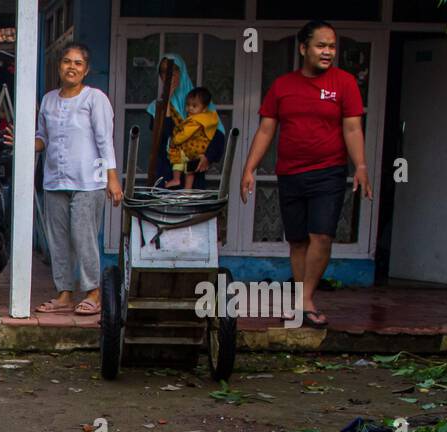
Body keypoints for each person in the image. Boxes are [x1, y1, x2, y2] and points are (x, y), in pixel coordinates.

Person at [240, 19, 372, 329]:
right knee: (298, 240)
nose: (328, 52)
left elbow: (352, 127)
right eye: (321, 46)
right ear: (303, 48)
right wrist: (249, 169)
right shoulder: (283, 86)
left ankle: (306, 299)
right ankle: (301, 301)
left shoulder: (345, 83)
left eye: (332, 47)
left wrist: (361, 167)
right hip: (290, 173)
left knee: (322, 236)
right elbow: (265, 130)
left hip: (329, 172)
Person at [9, 43, 122, 316]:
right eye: (67, 62)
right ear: (59, 66)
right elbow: (43, 139)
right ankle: (64, 294)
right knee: (57, 239)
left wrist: (113, 178)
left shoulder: (95, 98)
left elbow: (104, 140)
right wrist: (23, 142)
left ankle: (94, 293)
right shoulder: (48, 99)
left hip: (88, 181)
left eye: (78, 63)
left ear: (86, 70)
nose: (71, 67)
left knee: (83, 238)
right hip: (55, 181)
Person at [147, 54, 226, 190]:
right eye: (164, 72)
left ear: (181, 72)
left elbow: (217, 135)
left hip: (194, 171)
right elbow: (165, 135)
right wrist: (166, 101)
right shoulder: (156, 107)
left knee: (192, 209)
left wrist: (208, 157)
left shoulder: (199, 102)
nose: (168, 76)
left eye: (173, 71)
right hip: (167, 172)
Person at [165, 87, 219, 189]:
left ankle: (176, 179)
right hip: (200, 150)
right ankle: (187, 189)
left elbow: (185, 133)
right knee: (190, 168)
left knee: (177, 156)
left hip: (192, 148)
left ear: (204, 108)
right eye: (188, 105)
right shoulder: (208, 118)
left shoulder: (195, 120)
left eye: (194, 106)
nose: (190, 108)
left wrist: (175, 140)